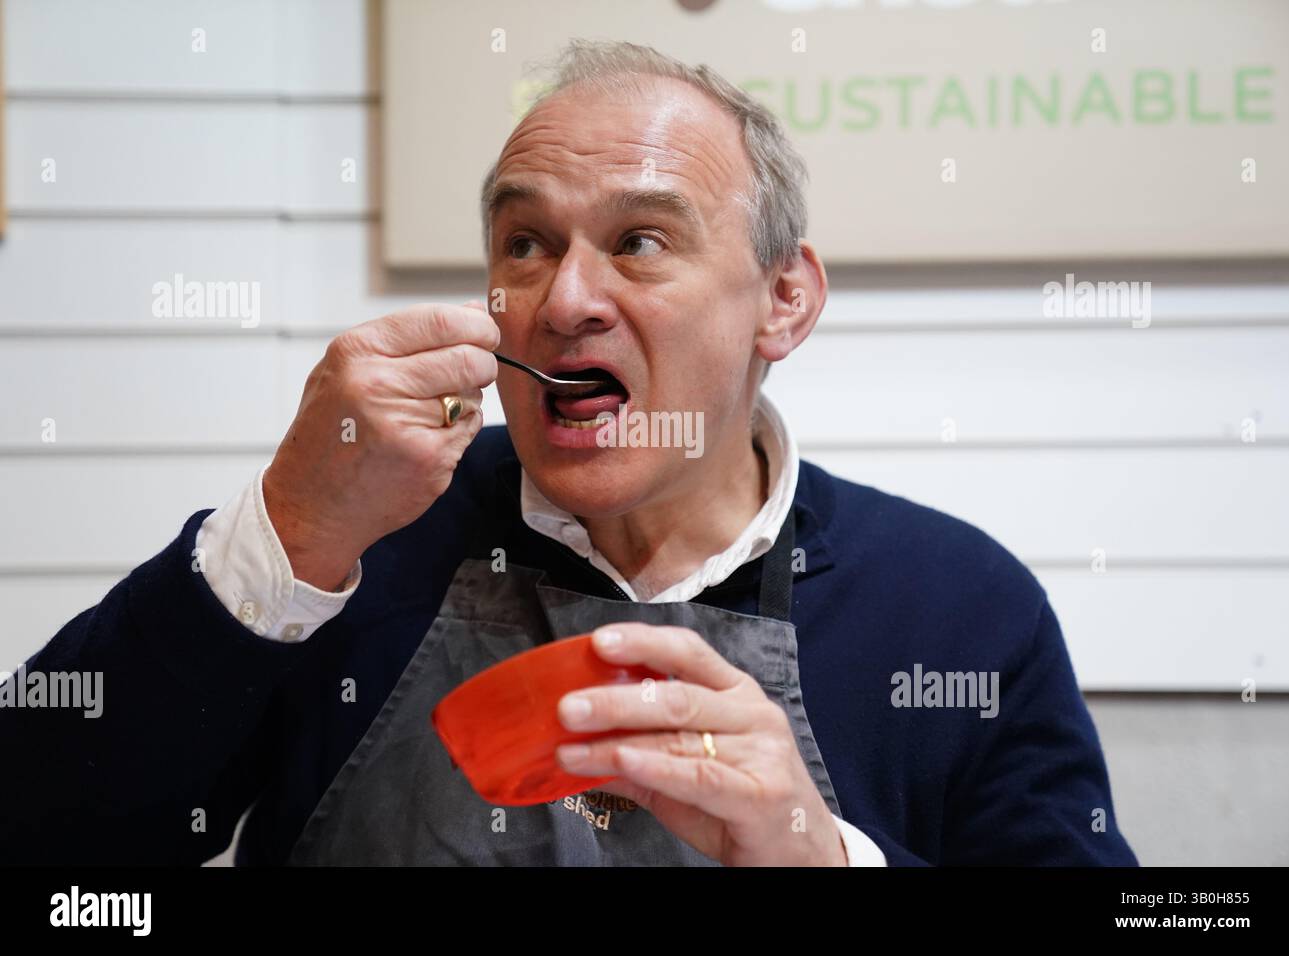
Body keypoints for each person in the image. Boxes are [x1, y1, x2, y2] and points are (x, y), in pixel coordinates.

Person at [0, 39, 1136, 867]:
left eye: (640, 240)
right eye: (525, 242)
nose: (565, 298)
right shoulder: (363, 543)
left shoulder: (955, 605)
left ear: (781, 301)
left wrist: (825, 861)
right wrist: (281, 536)